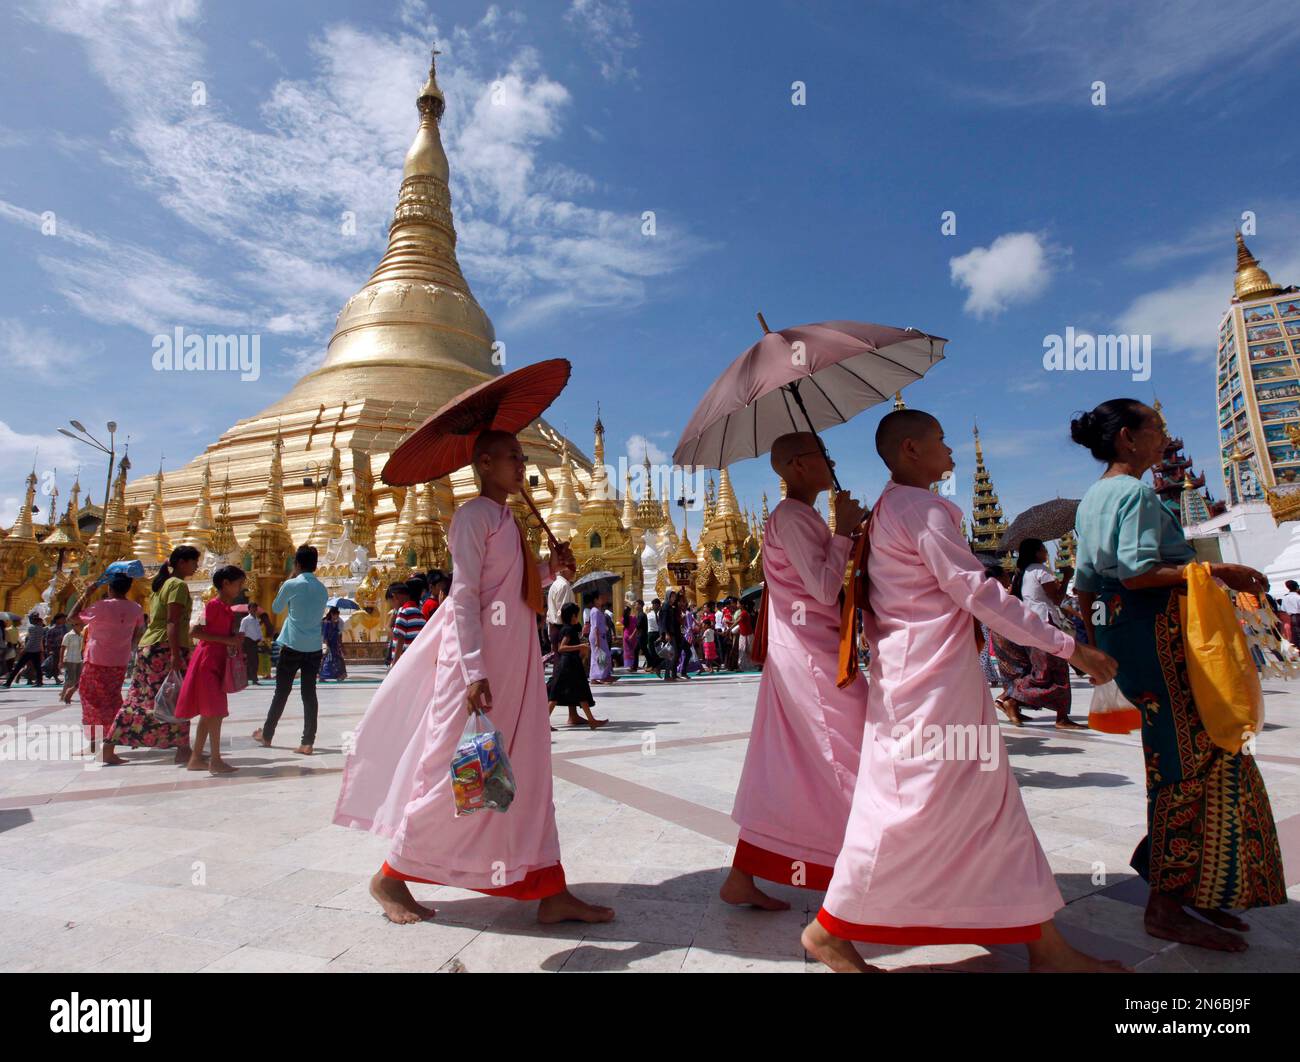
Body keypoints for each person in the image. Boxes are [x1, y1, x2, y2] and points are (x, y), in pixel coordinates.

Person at [803, 410, 1124, 973]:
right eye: (941, 442)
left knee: (989, 805)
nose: (950, 453)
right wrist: (1072, 647)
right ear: (909, 450)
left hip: (931, 681)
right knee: (906, 811)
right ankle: (829, 928)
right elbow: (979, 595)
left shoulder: (887, 513)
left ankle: (1043, 943)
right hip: (928, 690)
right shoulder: (921, 510)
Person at [334, 429, 615, 927]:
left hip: (518, 664)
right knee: (459, 777)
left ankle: (550, 889)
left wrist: (550, 569)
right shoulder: (472, 517)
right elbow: (464, 596)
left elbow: (509, 588)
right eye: (512, 457)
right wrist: (474, 669)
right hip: (478, 668)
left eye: (522, 457)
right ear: (484, 463)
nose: (520, 466)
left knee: (526, 774)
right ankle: (391, 873)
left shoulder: (509, 520)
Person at [1070, 399, 1287, 953]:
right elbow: (1140, 571)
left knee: (1178, 753)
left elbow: (1087, 584)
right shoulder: (1137, 493)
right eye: (1157, 428)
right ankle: (1166, 901)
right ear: (1127, 438)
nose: (1166, 437)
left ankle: (1183, 878)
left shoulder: (1093, 497)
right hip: (1159, 633)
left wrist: (1097, 650)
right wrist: (1219, 569)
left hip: (1127, 637)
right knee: (1196, 755)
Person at [724, 432, 869, 910]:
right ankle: (861, 866)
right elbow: (825, 590)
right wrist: (844, 531)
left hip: (808, 649)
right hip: (809, 656)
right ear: (796, 466)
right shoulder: (792, 517)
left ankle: (744, 875)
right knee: (847, 756)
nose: (831, 462)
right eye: (823, 456)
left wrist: (850, 534)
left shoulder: (800, 516)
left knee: (790, 767)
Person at [105, 546, 201, 765]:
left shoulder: (161, 584)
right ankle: (182, 749)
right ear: (182, 562)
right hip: (164, 648)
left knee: (144, 699)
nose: (196, 566)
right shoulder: (176, 585)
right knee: (175, 697)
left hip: (150, 647)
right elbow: (172, 621)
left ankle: (182, 748)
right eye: (194, 562)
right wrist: (176, 654)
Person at [993, 538, 1082, 729]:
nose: (1047, 553)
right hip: (1046, 625)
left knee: (1051, 670)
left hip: (1029, 626)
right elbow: (1057, 600)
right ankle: (1010, 698)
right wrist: (1067, 577)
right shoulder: (1041, 571)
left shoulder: (1020, 574)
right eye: (1043, 549)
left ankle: (1061, 716)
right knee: (1050, 671)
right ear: (1035, 553)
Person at [253, 544, 328, 756]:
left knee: (282, 692)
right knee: (309, 694)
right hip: (314, 646)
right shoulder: (322, 588)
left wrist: (291, 577)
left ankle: (267, 735)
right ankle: (307, 742)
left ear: (297, 563)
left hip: (293, 644)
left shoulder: (291, 584)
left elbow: (276, 608)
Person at [176, 565, 245, 775]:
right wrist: (228, 640)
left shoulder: (225, 607)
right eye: (238, 584)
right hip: (208, 662)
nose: (240, 589)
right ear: (225, 584)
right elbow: (195, 632)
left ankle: (196, 758)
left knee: (209, 714)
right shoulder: (212, 606)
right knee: (215, 712)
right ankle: (215, 760)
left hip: (217, 661)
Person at [68, 574, 145, 759]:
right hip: (119, 661)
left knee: (91, 701)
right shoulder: (136, 608)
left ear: (110, 588)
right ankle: (104, 745)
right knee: (111, 701)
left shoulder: (101, 606)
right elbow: (139, 631)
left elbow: (72, 617)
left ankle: (99, 745)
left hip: (96, 660)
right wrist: (127, 645)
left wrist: (86, 594)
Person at [547, 601, 606, 729]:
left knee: (581, 692)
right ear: (572, 616)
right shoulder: (568, 629)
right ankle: (544, 723)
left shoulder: (567, 628)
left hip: (571, 664)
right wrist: (580, 646)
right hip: (568, 665)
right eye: (576, 615)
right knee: (556, 694)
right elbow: (561, 648)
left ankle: (592, 720)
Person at [386, 581, 426, 666]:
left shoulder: (403, 611)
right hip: (415, 660)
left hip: (403, 662)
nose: (394, 608)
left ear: (395, 596)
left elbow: (400, 639)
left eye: (392, 604)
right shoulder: (419, 612)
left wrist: (394, 663)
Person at [4, 613, 45, 688]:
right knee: (37, 667)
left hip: (29, 650)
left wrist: (24, 649)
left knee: (18, 666)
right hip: (37, 651)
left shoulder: (31, 628)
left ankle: (8, 682)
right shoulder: (41, 629)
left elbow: (31, 641)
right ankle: (39, 681)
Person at [546, 559, 576, 655]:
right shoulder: (564, 586)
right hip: (563, 631)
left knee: (559, 664)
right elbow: (565, 612)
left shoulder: (555, 584)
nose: (574, 571)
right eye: (571, 568)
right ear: (562, 569)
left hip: (555, 628)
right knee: (564, 665)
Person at [588, 588, 616, 684]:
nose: (603, 599)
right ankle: (601, 676)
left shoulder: (598, 610)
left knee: (601, 655)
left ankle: (597, 676)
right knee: (601, 655)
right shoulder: (595, 611)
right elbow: (595, 627)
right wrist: (597, 640)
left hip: (601, 635)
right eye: (600, 598)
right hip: (597, 635)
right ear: (595, 599)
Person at [238, 602, 264, 686]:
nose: (254, 610)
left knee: (255, 661)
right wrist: (242, 644)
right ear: (249, 610)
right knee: (249, 661)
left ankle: (254, 679)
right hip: (248, 641)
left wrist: (261, 639)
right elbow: (241, 631)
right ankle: (248, 679)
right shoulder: (245, 620)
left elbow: (258, 631)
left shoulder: (256, 619)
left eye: (255, 608)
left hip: (255, 642)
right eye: (252, 608)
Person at [321, 605, 348, 681]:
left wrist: (341, 646)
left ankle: (340, 675)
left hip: (335, 645)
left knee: (339, 660)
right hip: (329, 645)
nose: (337, 617)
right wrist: (326, 647)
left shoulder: (337, 624)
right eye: (336, 615)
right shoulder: (327, 623)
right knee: (328, 660)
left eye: (338, 615)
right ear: (332, 614)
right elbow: (325, 637)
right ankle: (323, 676)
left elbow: (339, 636)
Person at [59, 622, 83, 705]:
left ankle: (65, 693)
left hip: (78, 659)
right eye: (80, 624)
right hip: (69, 659)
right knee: (70, 679)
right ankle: (63, 695)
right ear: (74, 625)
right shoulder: (68, 635)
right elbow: (62, 648)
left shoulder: (81, 635)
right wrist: (61, 661)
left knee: (78, 680)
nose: (81, 626)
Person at [43, 612, 68, 683]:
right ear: (57, 620)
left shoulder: (64, 628)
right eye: (62, 619)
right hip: (55, 649)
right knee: (55, 664)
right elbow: (48, 641)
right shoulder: (52, 629)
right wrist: (49, 650)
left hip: (63, 648)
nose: (64, 620)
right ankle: (56, 677)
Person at [1280, 579, 1300, 648]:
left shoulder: (1285, 598)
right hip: (1298, 616)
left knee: (1295, 635)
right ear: (1297, 587)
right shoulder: (1298, 597)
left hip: (1291, 617)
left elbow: (1283, 609)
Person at [621, 602, 639, 675]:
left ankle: (630, 665)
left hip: (626, 635)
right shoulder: (633, 618)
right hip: (632, 635)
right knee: (633, 650)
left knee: (628, 651)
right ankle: (632, 666)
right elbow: (636, 626)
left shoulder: (623, 619)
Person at [643, 597, 660, 672]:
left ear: (659, 605)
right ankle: (653, 666)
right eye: (653, 605)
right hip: (650, 633)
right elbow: (647, 625)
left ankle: (657, 666)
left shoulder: (661, 613)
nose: (654, 606)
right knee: (651, 650)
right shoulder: (649, 614)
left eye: (655, 605)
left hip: (658, 633)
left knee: (658, 651)